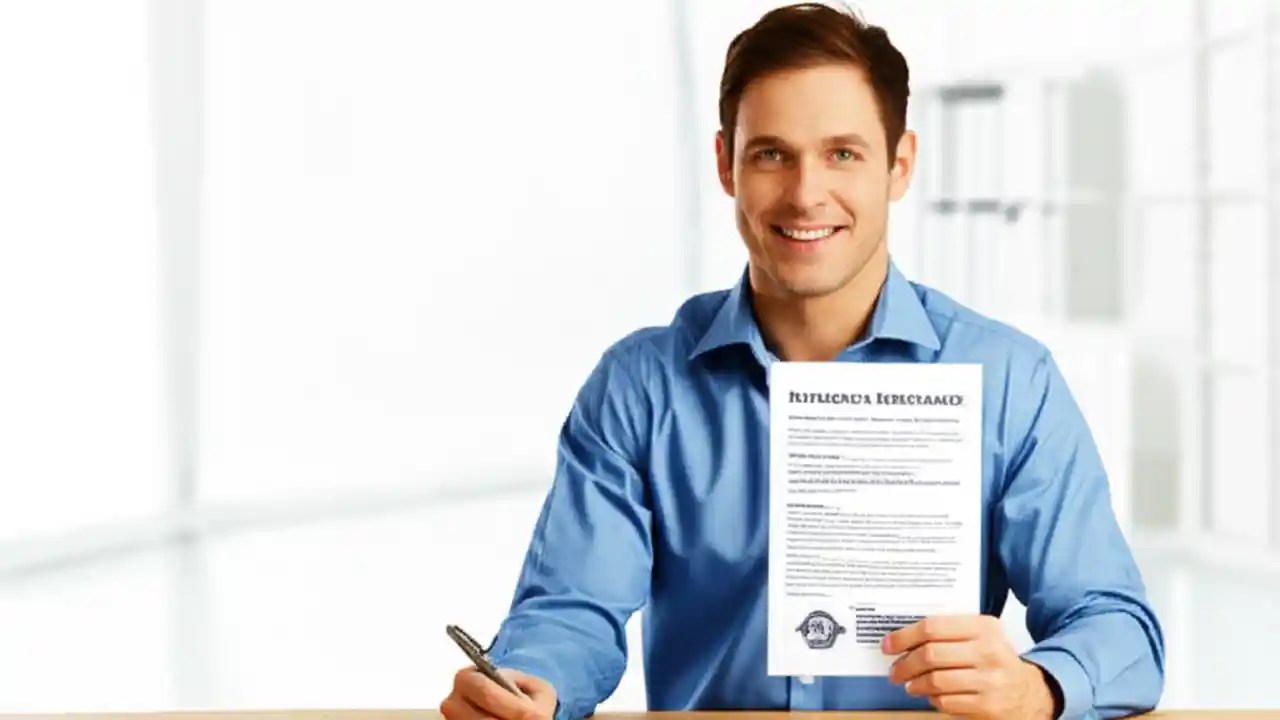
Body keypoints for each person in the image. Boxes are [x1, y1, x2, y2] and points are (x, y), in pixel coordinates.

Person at [437, 3, 1165, 719]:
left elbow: (1119, 631)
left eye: (842, 153)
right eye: (771, 154)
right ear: (727, 165)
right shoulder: (641, 388)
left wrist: (1035, 690)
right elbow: (571, 611)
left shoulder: (1010, 382)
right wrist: (533, 685)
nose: (805, 192)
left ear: (899, 165)